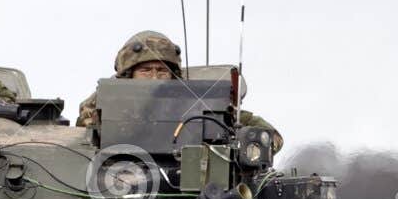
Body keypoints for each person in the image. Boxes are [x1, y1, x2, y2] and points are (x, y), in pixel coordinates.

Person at [75, 31, 285, 151]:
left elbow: (271, 137)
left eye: (162, 71)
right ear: (128, 74)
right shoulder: (106, 103)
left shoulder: (194, 101)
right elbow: (81, 138)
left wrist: (242, 141)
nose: (155, 78)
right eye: (146, 71)